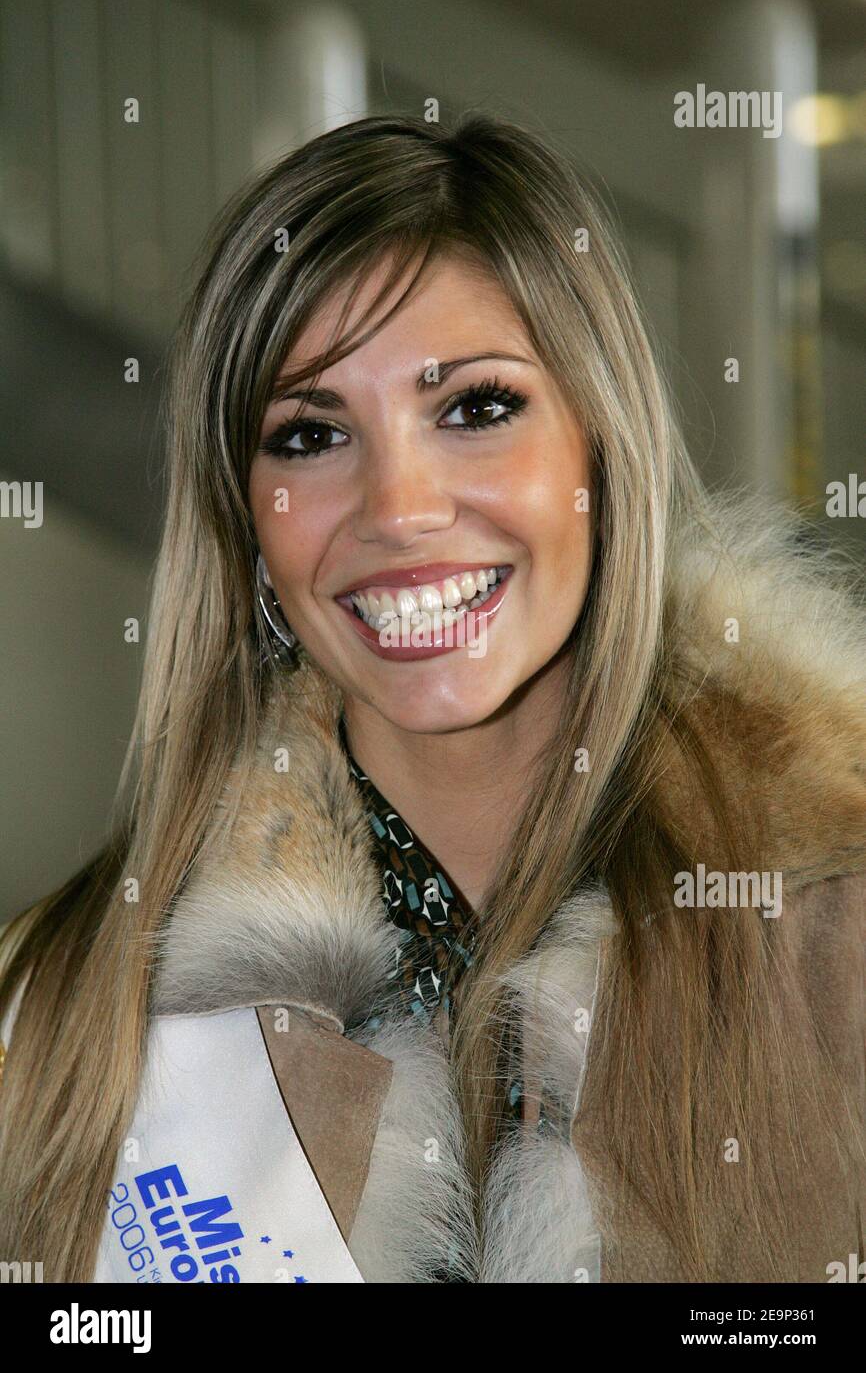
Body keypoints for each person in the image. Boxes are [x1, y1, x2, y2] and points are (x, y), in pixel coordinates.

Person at [0, 113, 863, 1283]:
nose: (398, 507)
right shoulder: (56, 1012)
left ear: (598, 455)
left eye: (475, 407)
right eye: (308, 434)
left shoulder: (834, 938)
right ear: (245, 523)